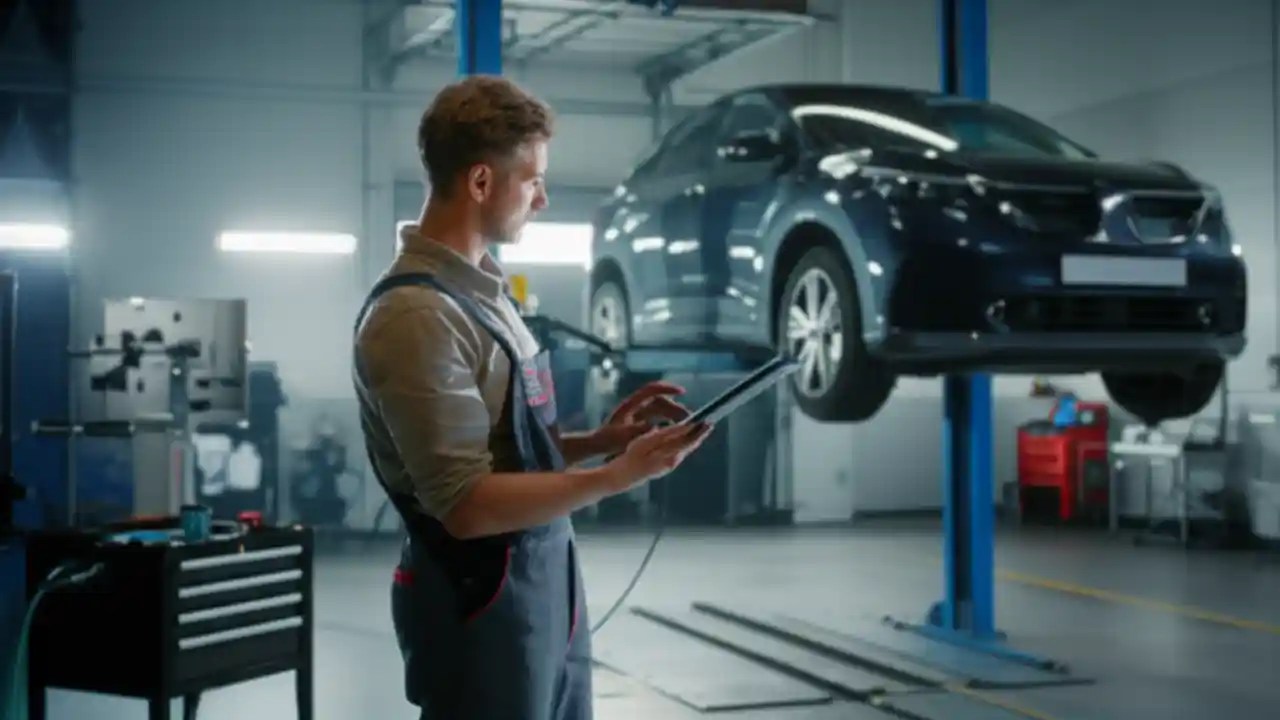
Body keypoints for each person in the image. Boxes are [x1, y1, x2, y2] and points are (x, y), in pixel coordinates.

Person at [351, 75, 714, 720]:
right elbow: (465, 505)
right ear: (481, 182)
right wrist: (618, 476)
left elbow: (503, 451)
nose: (543, 199)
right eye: (534, 180)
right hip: (480, 607)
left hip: (544, 589)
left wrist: (601, 443)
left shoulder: (486, 293)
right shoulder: (416, 316)